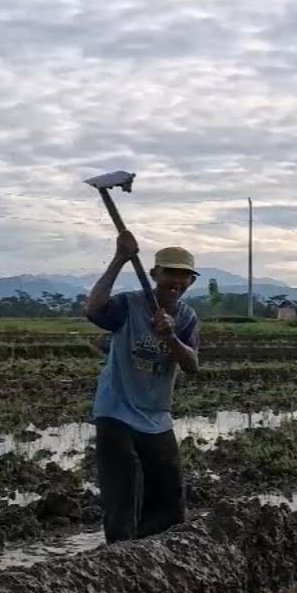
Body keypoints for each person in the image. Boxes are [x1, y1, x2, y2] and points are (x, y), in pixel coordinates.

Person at [85, 231, 200, 544]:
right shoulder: (129, 305)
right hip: (116, 411)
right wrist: (120, 258)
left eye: (184, 276)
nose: (176, 281)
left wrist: (171, 338)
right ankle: (121, 557)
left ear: (190, 281)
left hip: (155, 415)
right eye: (169, 274)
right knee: (121, 493)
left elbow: (191, 365)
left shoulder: (187, 318)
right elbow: (93, 309)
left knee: (169, 495)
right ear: (154, 275)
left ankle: (158, 555)